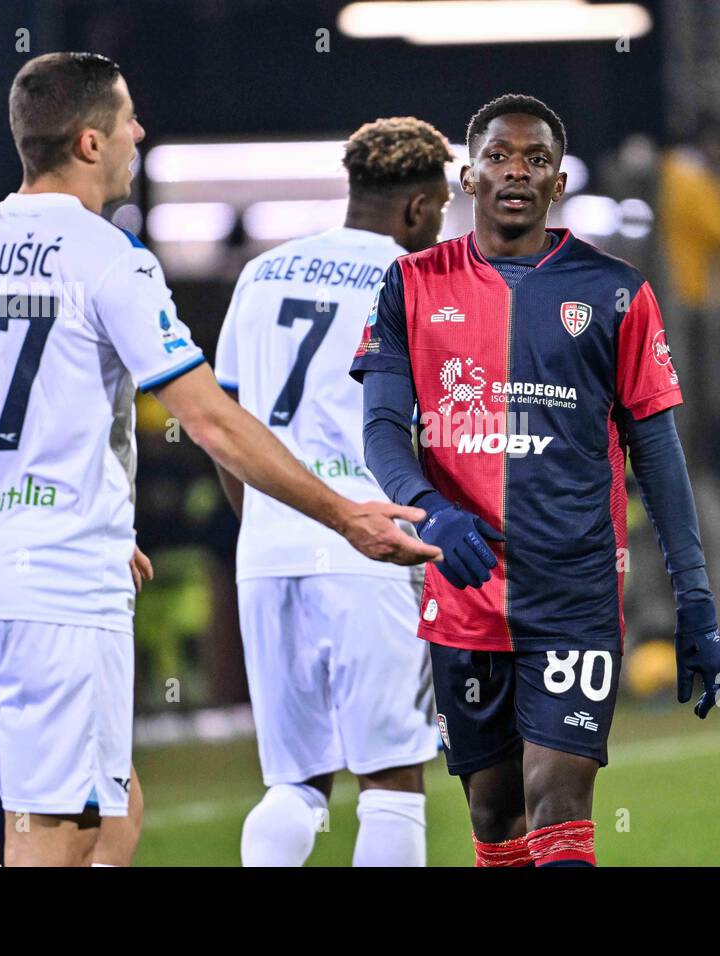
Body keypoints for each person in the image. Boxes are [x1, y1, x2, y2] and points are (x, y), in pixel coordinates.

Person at [0, 52, 438, 867]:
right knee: (60, 830)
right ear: (89, 142)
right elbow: (213, 422)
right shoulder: (110, 258)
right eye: (127, 122)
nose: (139, 135)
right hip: (58, 585)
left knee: (103, 813)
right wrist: (348, 514)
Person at [351, 94, 720, 867]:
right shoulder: (411, 285)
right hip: (463, 594)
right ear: (467, 176)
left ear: (559, 184)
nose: (515, 173)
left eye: (535, 161)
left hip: (576, 594)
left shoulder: (615, 292)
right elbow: (383, 431)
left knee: (557, 800)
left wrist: (695, 601)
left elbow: (658, 455)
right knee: (495, 817)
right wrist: (429, 509)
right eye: (498, 157)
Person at [214, 116, 452, 867]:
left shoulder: (262, 273)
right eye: (442, 206)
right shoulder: (419, 283)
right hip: (371, 546)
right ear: (418, 207)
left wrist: (259, 525)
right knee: (390, 781)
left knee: (294, 782)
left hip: (269, 549)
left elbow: (222, 421)